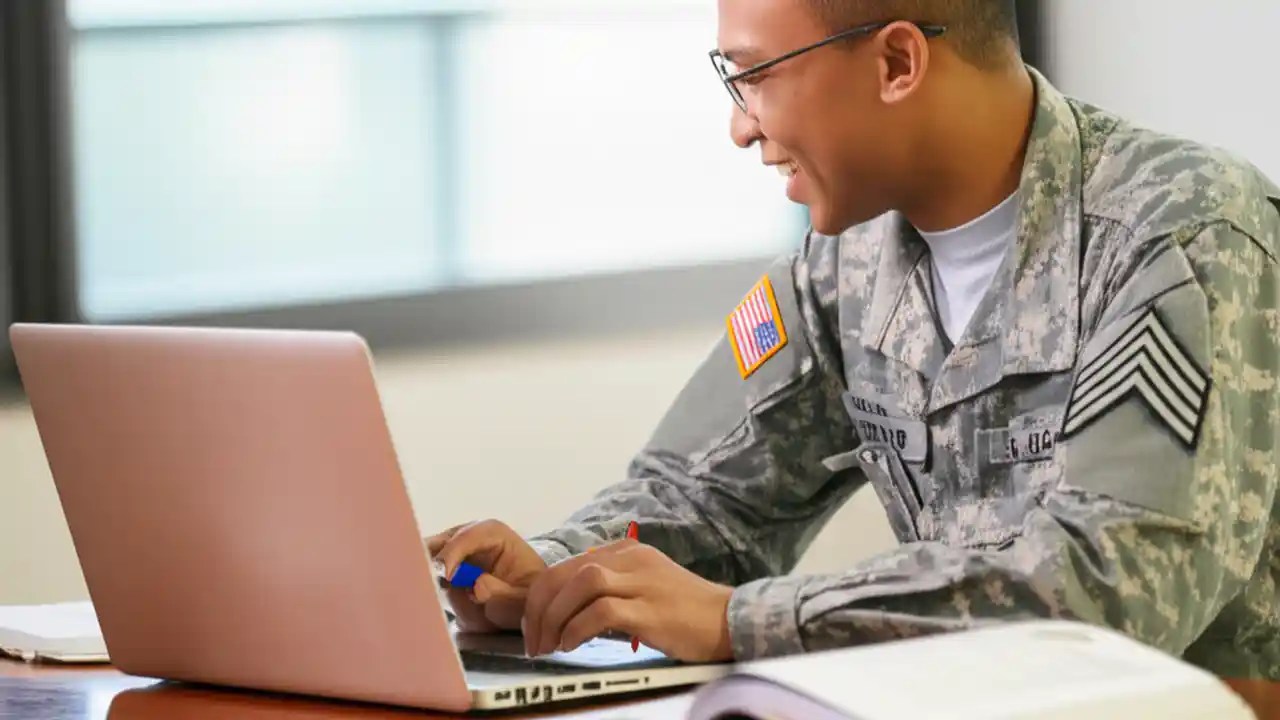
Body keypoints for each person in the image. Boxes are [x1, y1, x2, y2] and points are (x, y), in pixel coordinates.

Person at [427, 0, 1280, 679]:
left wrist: (738, 621)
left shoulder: (1181, 230)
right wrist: (555, 572)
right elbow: (703, 501)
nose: (740, 125)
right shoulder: (841, 266)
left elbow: (1113, 591)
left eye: (753, 75)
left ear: (897, 63)